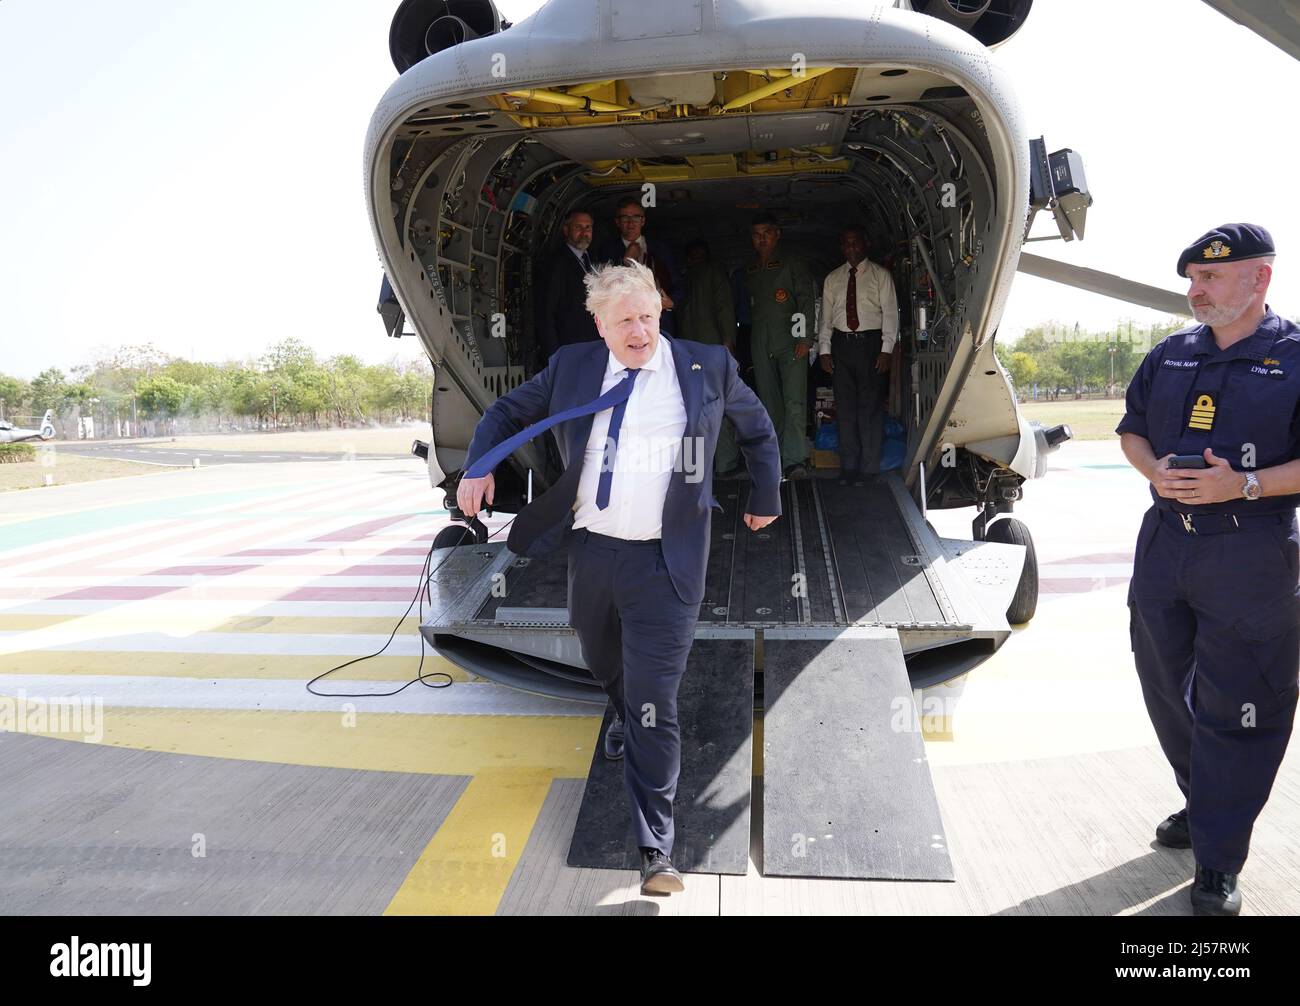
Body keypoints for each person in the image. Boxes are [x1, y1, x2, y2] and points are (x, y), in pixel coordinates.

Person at [456, 260, 781, 895]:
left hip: (667, 559)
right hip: (593, 553)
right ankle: (621, 709)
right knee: (605, 659)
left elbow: (759, 429)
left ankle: (656, 850)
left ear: (662, 313)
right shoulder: (573, 368)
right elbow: (502, 413)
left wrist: (765, 492)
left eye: (648, 316)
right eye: (625, 319)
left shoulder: (705, 365)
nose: (640, 330)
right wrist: (477, 467)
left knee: (657, 699)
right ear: (599, 323)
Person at [1116, 223, 1300, 917]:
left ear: (1261, 279)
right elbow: (1133, 428)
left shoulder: (1294, 356)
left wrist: (1244, 486)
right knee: (1165, 683)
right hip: (1166, 545)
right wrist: (1152, 467)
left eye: (1212, 278)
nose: (1196, 290)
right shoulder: (1170, 355)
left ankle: (1220, 858)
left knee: (1244, 701)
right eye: (1192, 278)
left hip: (1248, 552)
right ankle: (1207, 803)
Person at [817, 226, 899, 486]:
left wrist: (886, 350)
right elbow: (825, 319)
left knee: (870, 409)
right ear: (842, 247)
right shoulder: (833, 279)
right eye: (846, 243)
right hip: (842, 345)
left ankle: (869, 468)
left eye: (856, 243)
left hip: (870, 345)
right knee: (846, 410)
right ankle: (849, 467)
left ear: (866, 244)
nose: (851, 248)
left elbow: (890, 315)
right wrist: (824, 351)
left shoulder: (880, 275)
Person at [745, 212, 817, 478]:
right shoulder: (750, 268)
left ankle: (795, 460)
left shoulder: (792, 263)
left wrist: (804, 338)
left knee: (794, 400)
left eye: (766, 233)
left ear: (777, 234)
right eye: (756, 234)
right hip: (761, 342)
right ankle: (774, 459)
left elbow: (805, 300)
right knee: (768, 402)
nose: (761, 239)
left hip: (791, 341)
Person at [678, 239, 741, 477]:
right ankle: (726, 462)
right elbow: (725, 308)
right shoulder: (715, 273)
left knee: (691, 405)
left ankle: (695, 464)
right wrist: (729, 341)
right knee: (719, 402)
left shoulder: (683, 278)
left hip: (686, 350)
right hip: (713, 348)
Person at [595, 197, 679, 333]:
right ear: (617, 222)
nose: (630, 223)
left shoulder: (661, 248)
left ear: (643, 221)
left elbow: (678, 284)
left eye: (636, 217)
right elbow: (605, 288)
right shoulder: (606, 250)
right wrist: (627, 261)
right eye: (625, 218)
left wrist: (671, 302)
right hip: (624, 324)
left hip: (662, 323)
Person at [535, 209, 600, 362]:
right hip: (568, 351)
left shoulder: (592, 260)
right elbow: (546, 313)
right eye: (578, 227)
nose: (584, 233)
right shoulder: (555, 263)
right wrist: (554, 357)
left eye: (588, 227)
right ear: (566, 230)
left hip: (594, 350)